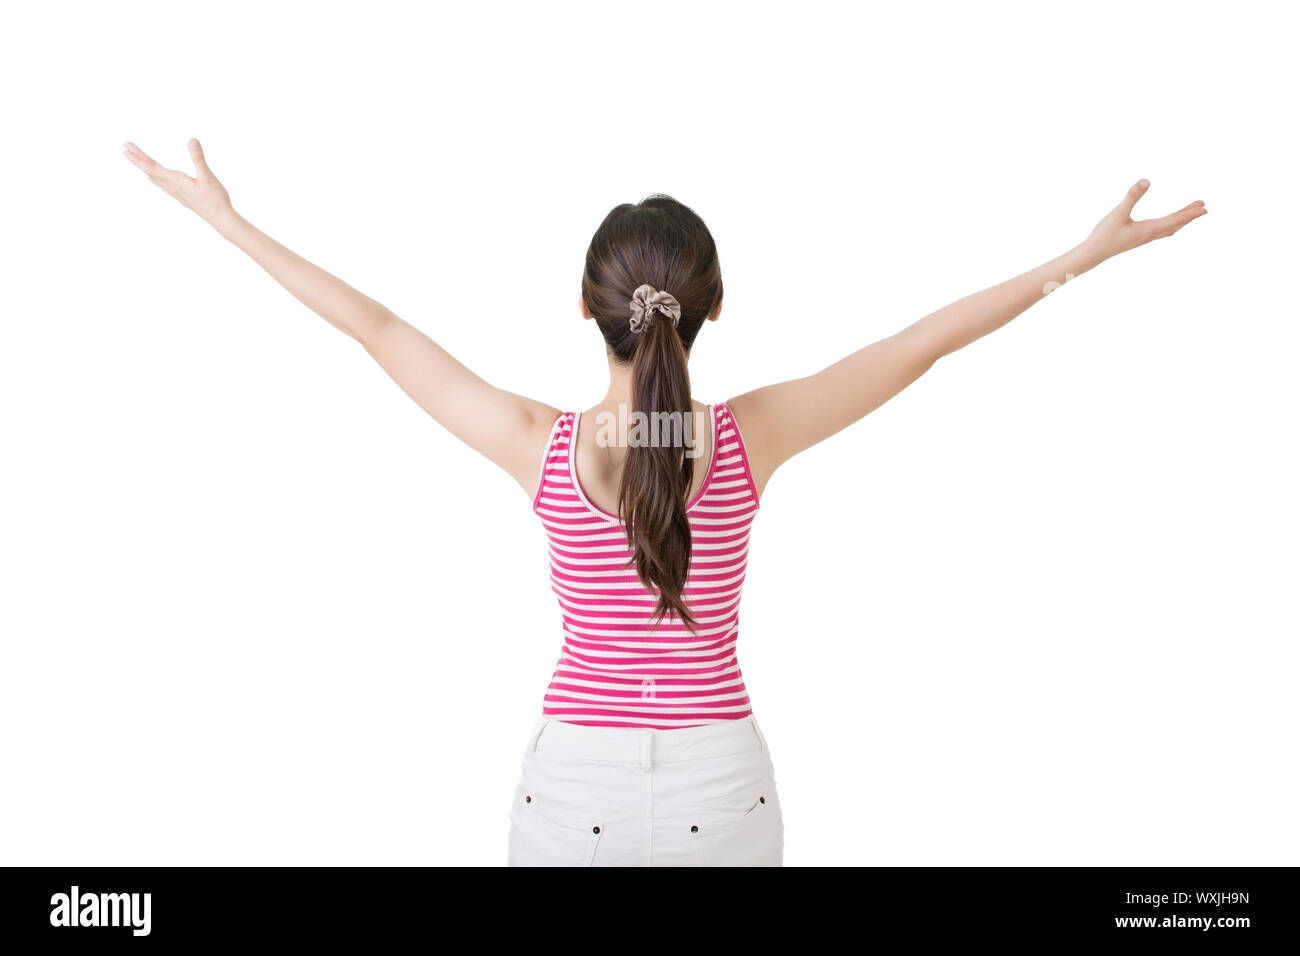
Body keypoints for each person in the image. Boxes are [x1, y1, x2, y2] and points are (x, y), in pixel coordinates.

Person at [122, 138, 1207, 866]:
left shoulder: (536, 444)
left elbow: (379, 330)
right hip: (720, 786)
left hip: (570, 787)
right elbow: (924, 340)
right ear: (713, 307)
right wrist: (1081, 259)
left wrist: (232, 224)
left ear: (584, 310)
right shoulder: (748, 438)